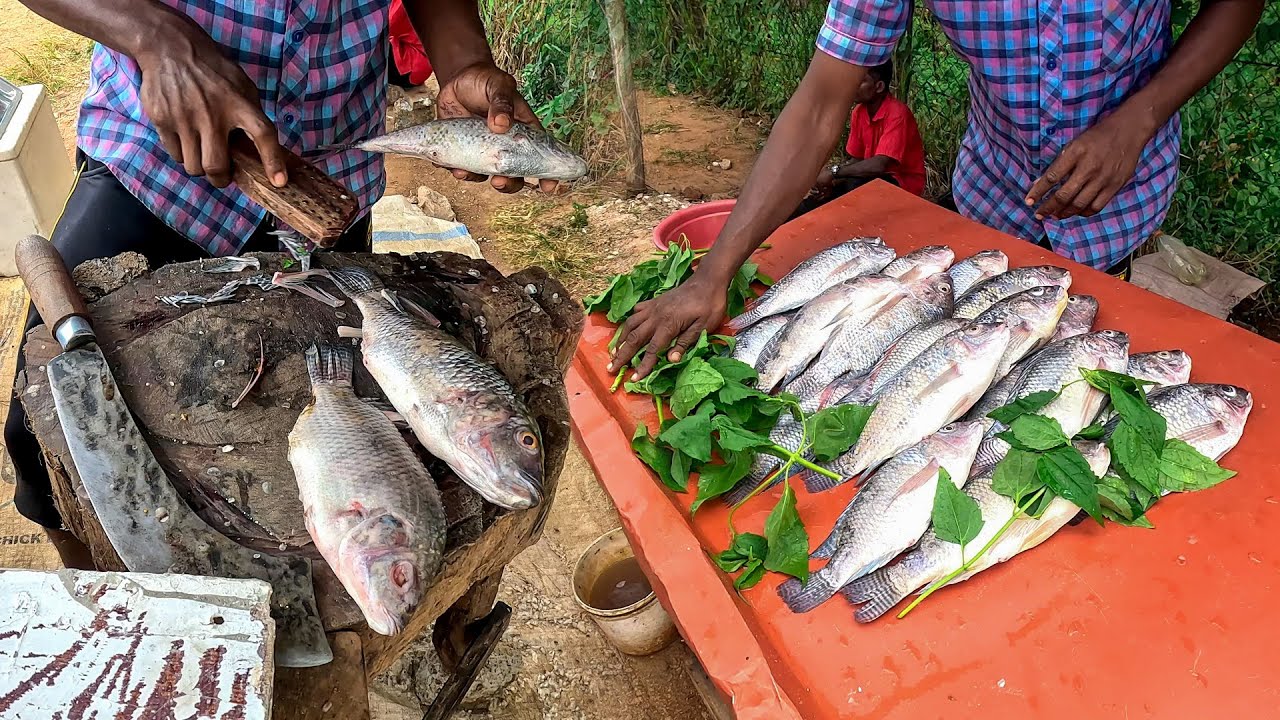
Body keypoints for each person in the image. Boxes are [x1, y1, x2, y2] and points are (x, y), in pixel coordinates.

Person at [8, 0, 555, 568]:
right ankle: (95, 593)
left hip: (324, 181)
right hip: (154, 163)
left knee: (333, 421)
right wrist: (155, 36)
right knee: (42, 432)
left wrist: (463, 61)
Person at [611, 0, 1264, 382]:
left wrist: (1138, 120)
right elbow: (817, 108)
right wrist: (714, 272)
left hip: (1124, 198)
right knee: (975, 370)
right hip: (996, 193)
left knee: (1090, 353)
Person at [790, 59, 925, 220]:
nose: (853, 86)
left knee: (853, 189)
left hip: (902, 184)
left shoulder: (897, 114)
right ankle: (783, 227)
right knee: (820, 198)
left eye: (861, 81)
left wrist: (834, 173)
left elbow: (878, 165)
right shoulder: (859, 112)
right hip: (871, 180)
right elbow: (857, 160)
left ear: (879, 87)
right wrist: (833, 182)